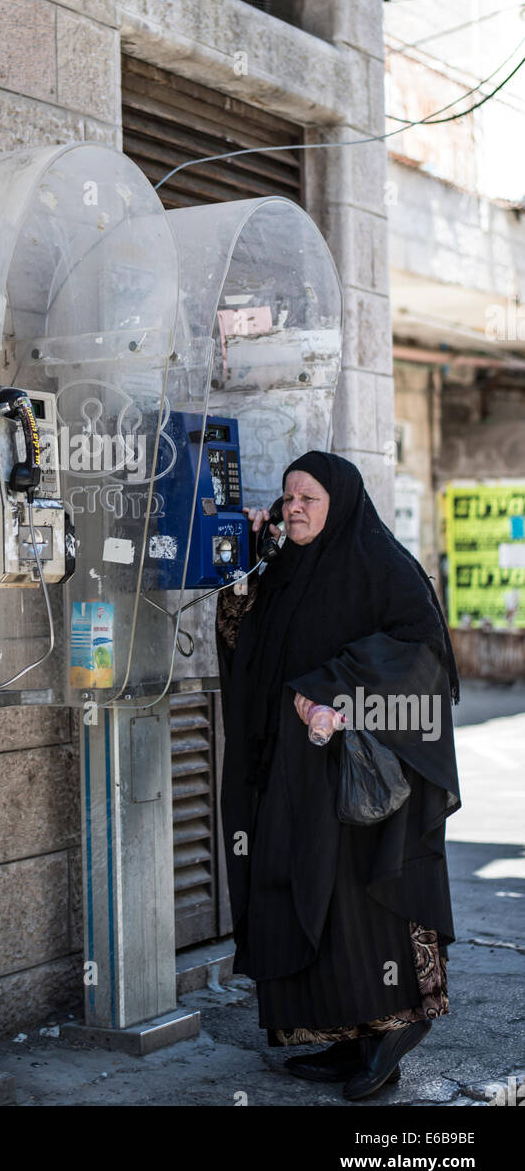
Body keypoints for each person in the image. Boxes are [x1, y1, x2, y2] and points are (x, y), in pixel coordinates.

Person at [216, 451, 461, 1101]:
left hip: (362, 772)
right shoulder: (285, 569)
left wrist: (332, 688)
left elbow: (423, 656)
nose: (294, 508)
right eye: (287, 497)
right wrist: (243, 562)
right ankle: (349, 1035)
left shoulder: (379, 567)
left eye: (309, 499)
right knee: (313, 902)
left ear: (341, 504)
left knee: (363, 902)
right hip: (293, 769)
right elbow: (241, 645)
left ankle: (395, 1029)